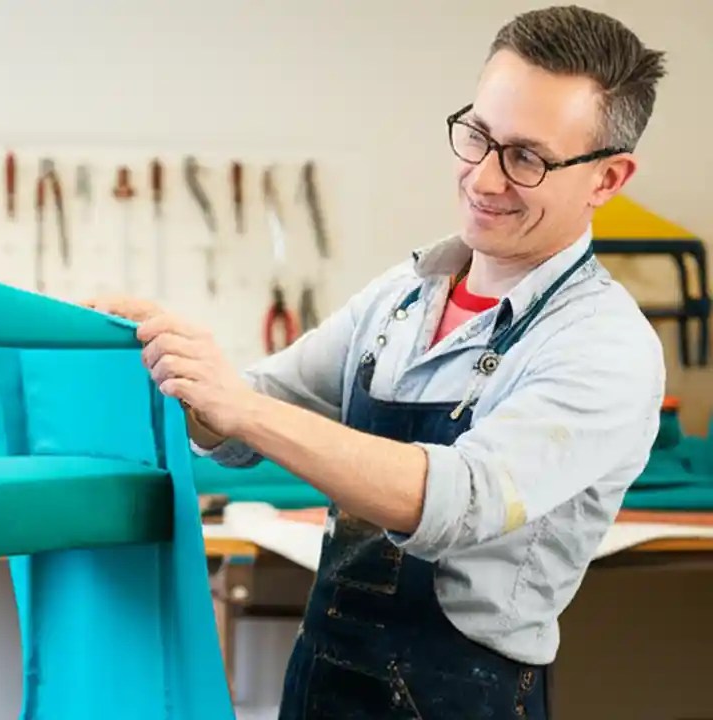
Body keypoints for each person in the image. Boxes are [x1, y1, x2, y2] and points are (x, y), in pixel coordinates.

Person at [87, 6, 667, 719]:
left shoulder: (605, 346)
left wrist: (242, 405)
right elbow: (251, 417)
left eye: (526, 157)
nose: (484, 179)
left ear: (608, 178)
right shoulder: (403, 297)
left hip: (460, 697)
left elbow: (461, 500)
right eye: (478, 136)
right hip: (325, 674)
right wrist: (155, 357)